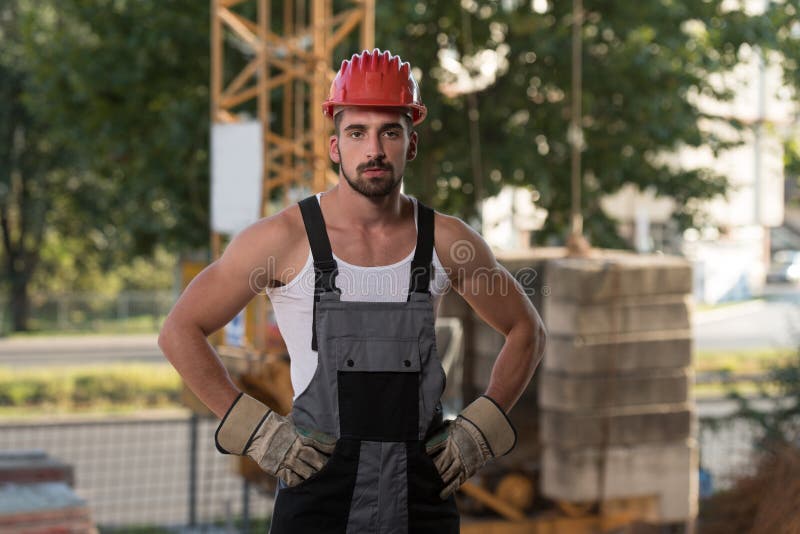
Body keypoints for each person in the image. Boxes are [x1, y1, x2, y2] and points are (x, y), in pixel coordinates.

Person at [158, 48, 546, 533]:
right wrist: (256, 431)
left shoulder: (449, 243)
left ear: (412, 141)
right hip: (317, 490)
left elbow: (526, 330)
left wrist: (480, 429)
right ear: (335, 145)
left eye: (390, 131)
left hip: (421, 494)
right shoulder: (282, 240)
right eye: (357, 132)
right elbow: (179, 330)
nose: (374, 150)